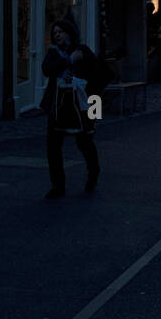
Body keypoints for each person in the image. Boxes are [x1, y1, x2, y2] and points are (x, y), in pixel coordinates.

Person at [41, 17, 101, 198]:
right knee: (53, 147)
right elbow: (47, 69)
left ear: (69, 32)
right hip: (57, 105)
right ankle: (58, 186)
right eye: (55, 33)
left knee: (84, 142)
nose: (57, 35)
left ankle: (93, 173)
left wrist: (95, 108)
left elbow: (97, 72)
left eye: (61, 32)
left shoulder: (82, 50)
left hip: (79, 105)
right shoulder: (53, 53)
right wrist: (67, 61)